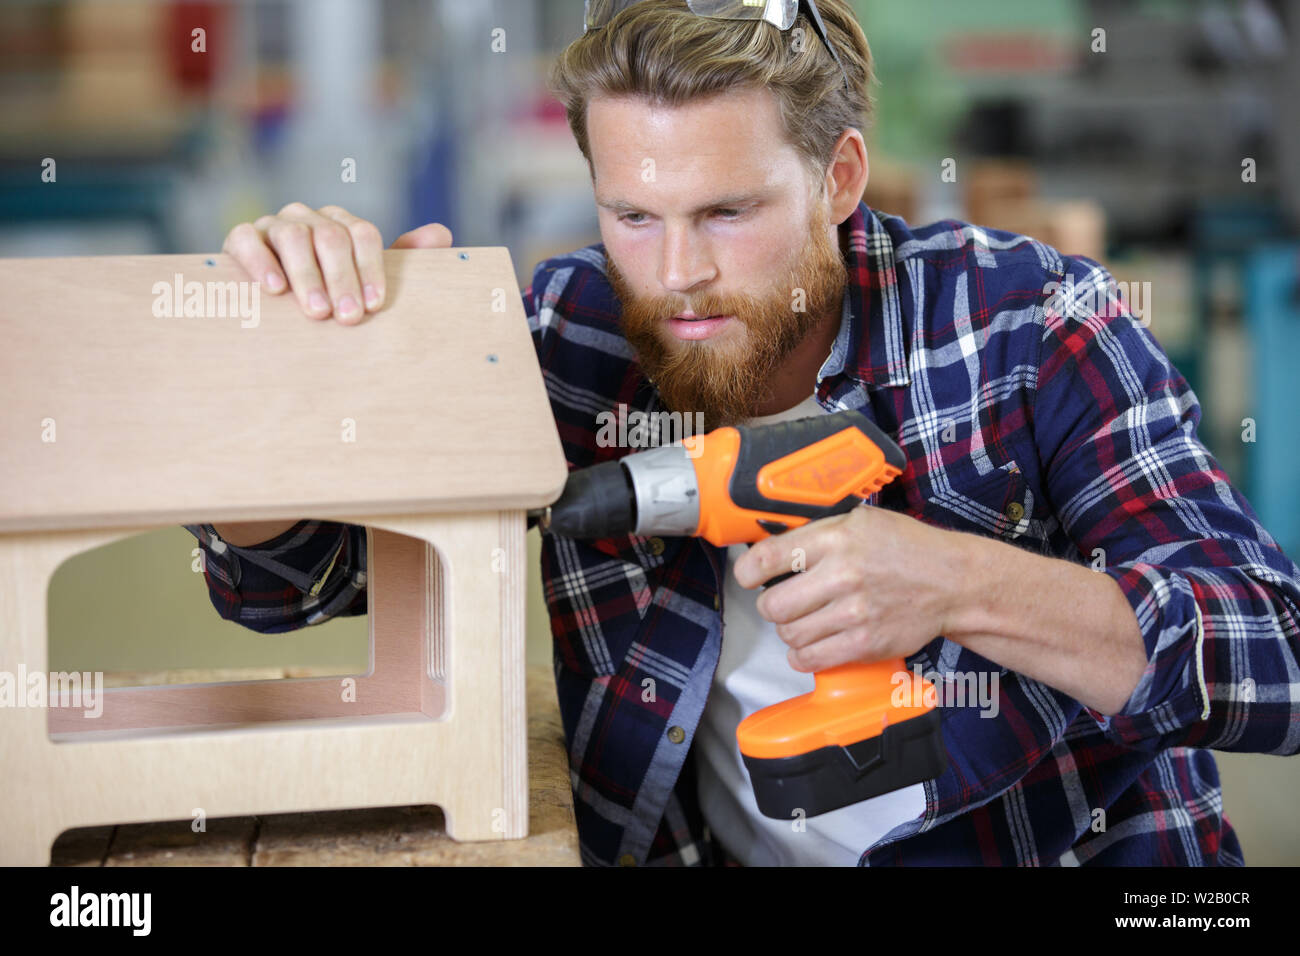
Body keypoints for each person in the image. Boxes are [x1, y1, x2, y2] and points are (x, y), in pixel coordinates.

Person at [195, 0, 1300, 866]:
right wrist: (292, 356)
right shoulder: (563, 336)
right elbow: (282, 587)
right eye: (633, 215)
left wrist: (962, 582)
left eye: (728, 211)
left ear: (839, 179)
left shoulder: (1029, 323)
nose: (676, 275)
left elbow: (1275, 656)